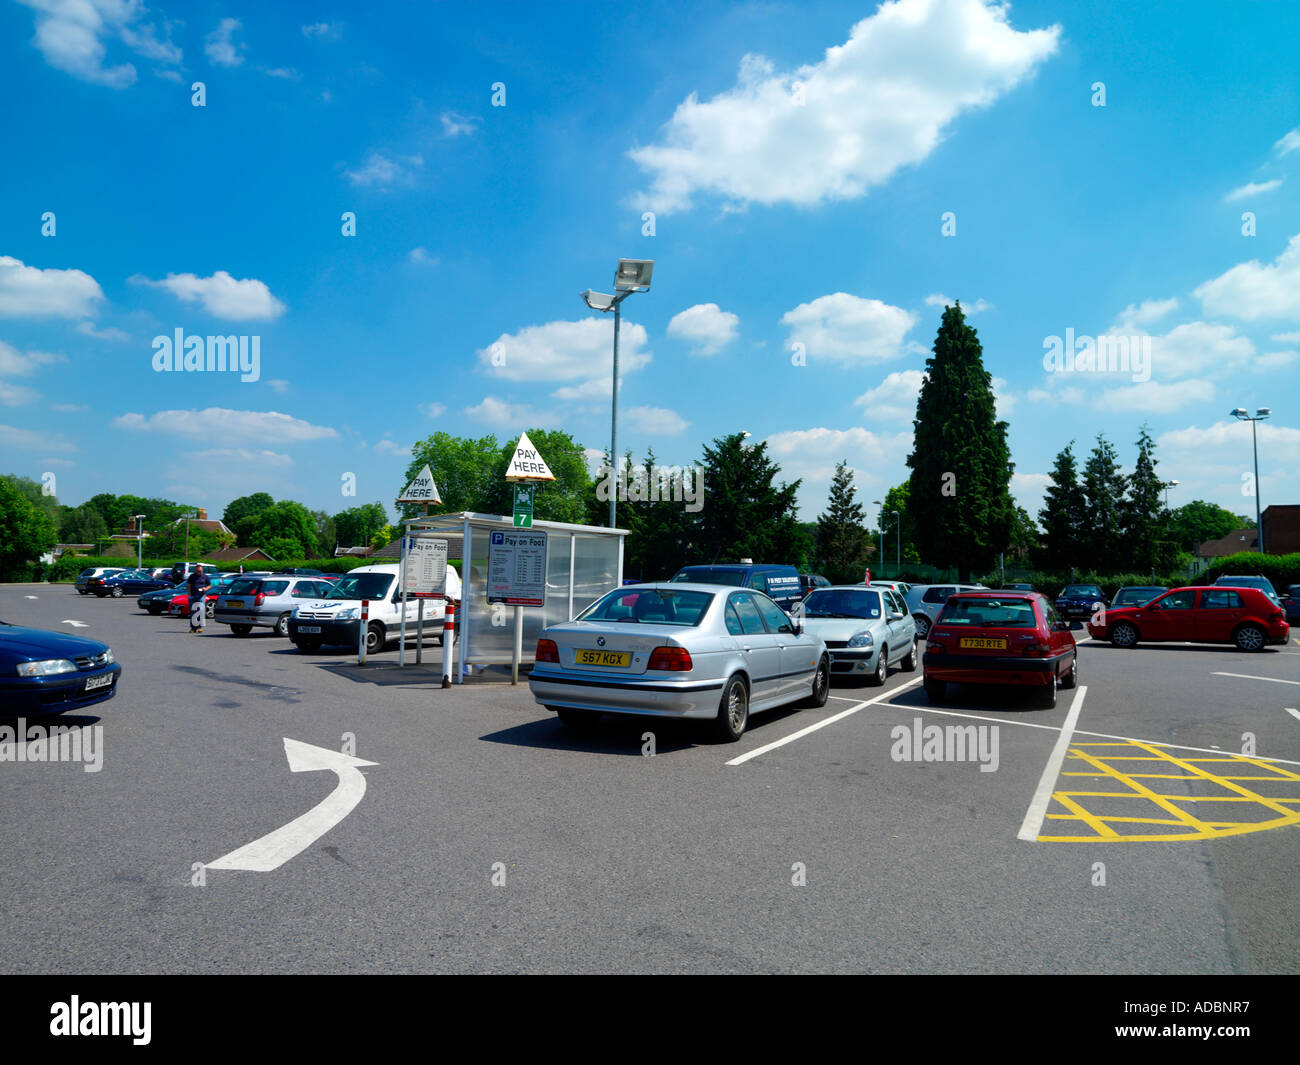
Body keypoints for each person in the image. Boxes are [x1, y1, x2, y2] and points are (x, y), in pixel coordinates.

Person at [187, 566, 211, 634]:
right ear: (195, 570)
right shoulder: (192, 576)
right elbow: (189, 585)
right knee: (193, 612)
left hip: (201, 596)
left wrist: (205, 589)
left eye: (200, 571)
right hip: (193, 596)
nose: (199, 572)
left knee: (201, 611)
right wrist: (189, 595)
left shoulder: (205, 576)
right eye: (198, 571)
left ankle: (200, 627)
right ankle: (193, 628)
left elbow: (209, 585)